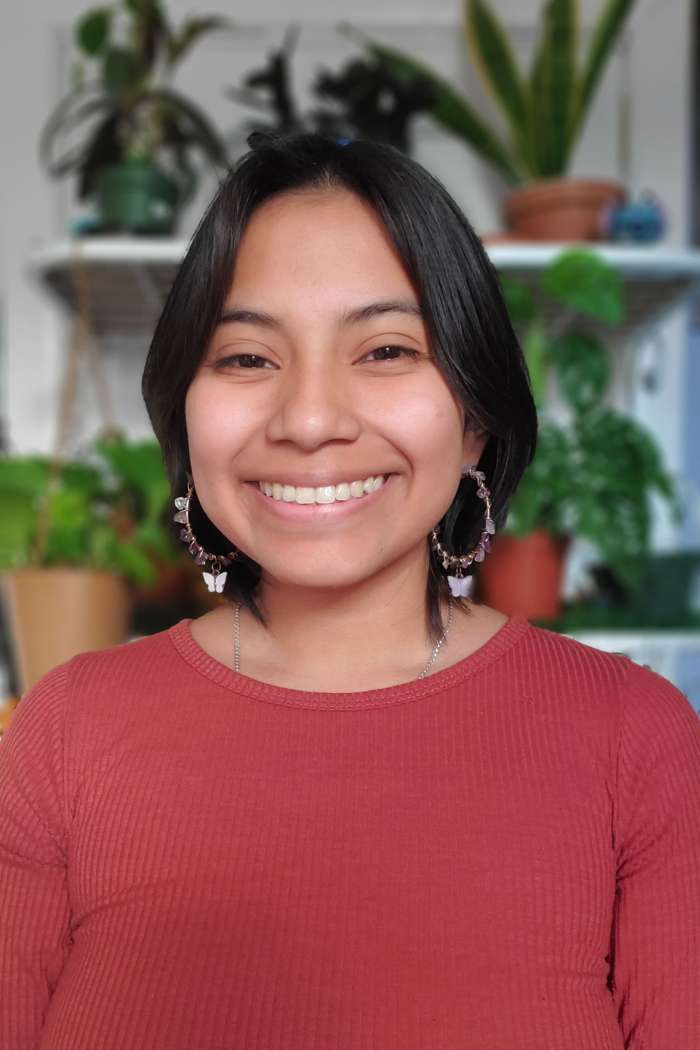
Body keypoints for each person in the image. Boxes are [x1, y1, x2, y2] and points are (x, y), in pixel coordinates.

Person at [1, 132, 699, 1050]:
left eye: (386, 350)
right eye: (247, 358)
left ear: (476, 418)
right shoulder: (65, 735)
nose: (309, 419)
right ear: (185, 410)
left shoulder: (637, 743)